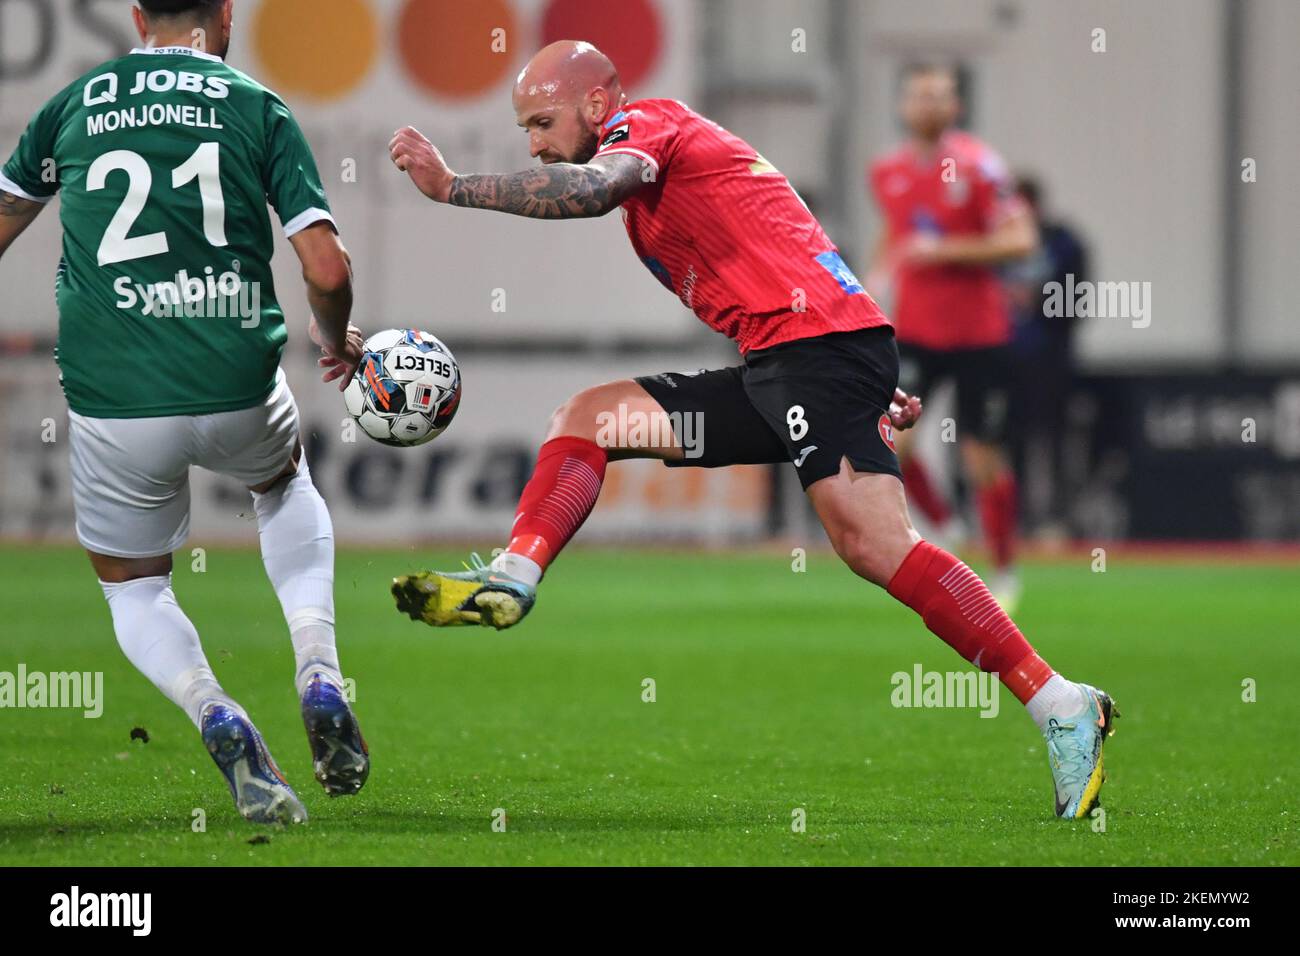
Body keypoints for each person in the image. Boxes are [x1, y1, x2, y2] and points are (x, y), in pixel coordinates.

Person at [387, 41, 1116, 819]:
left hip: (813, 353)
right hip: (794, 362)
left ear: (597, 105)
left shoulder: (647, 127)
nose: (532, 141)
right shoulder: (663, 169)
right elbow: (787, 239)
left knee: (874, 545)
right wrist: (865, 369)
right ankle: (514, 577)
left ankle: (1061, 703)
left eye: (541, 121)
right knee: (586, 418)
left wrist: (454, 186)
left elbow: (591, 188)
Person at [0, 0, 369, 824]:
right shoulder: (254, 104)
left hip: (114, 394)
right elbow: (326, 265)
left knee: (133, 590)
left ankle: (213, 708)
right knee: (280, 485)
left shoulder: (74, 105)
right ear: (226, 14)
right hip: (237, 379)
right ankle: (318, 668)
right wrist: (336, 338)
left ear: (137, 15)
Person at [868, 63, 1035, 611]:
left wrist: (945, 252)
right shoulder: (887, 172)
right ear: (902, 106)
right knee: (896, 439)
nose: (929, 105)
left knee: (981, 454)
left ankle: (1005, 570)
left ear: (956, 107)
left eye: (940, 96)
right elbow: (894, 236)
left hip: (979, 333)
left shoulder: (980, 166)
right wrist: (869, 286)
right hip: (916, 330)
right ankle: (945, 525)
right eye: (919, 95)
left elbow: (1021, 240)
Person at [1003, 174, 1090, 535]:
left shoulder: (1065, 244)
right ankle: (1014, 517)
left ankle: (1058, 517)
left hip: (1049, 358)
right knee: (1008, 439)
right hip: (1003, 359)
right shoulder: (995, 243)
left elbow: (1076, 300)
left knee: (1053, 436)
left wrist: (1038, 300)